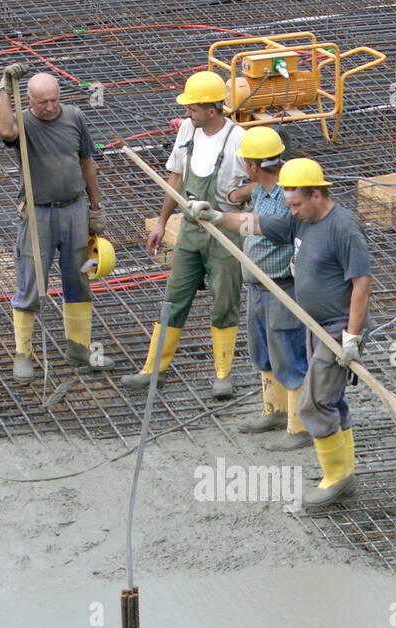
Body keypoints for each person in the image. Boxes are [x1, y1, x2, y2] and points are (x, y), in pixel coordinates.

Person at [187, 158, 372, 507]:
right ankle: (344, 473)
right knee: (332, 400)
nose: (293, 212)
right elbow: (254, 223)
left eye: (297, 204)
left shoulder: (343, 228)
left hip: (336, 328)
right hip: (312, 323)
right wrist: (216, 216)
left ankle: (336, 477)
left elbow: (361, 285)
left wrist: (351, 337)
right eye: (289, 205)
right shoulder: (300, 221)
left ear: (317, 194)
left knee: (314, 401)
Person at [123, 71, 252, 399]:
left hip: (225, 230)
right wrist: (163, 223)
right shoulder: (186, 131)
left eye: (192, 108)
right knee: (174, 297)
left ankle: (222, 374)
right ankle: (154, 369)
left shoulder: (239, 138)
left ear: (212, 110)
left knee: (225, 300)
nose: (186, 113)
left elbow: (265, 179)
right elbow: (176, 180)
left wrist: (237, 197)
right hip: (191, 231)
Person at [0, 66, 113, 377]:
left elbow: (86, 162)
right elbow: (5, 132)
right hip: (37, 212)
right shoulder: (23, 121)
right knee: (31, 281)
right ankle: (23, 354)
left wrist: (95, 205)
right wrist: (6, 89)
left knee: (79, 277)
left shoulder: (74, 116)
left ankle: (78, 347)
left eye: (54, 100)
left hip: (73, 209)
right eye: (42, 102)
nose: (49, 107)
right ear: (29, 100)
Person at [234, 127, 310, 450]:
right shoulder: (260, 193)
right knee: (263, 349)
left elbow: (277, 231)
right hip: (257, 287)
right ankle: (275, 409)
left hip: (281, 287)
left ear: (253, 166)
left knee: (288, 354)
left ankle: (300, 425)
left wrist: (227, 219)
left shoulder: (286, 195)